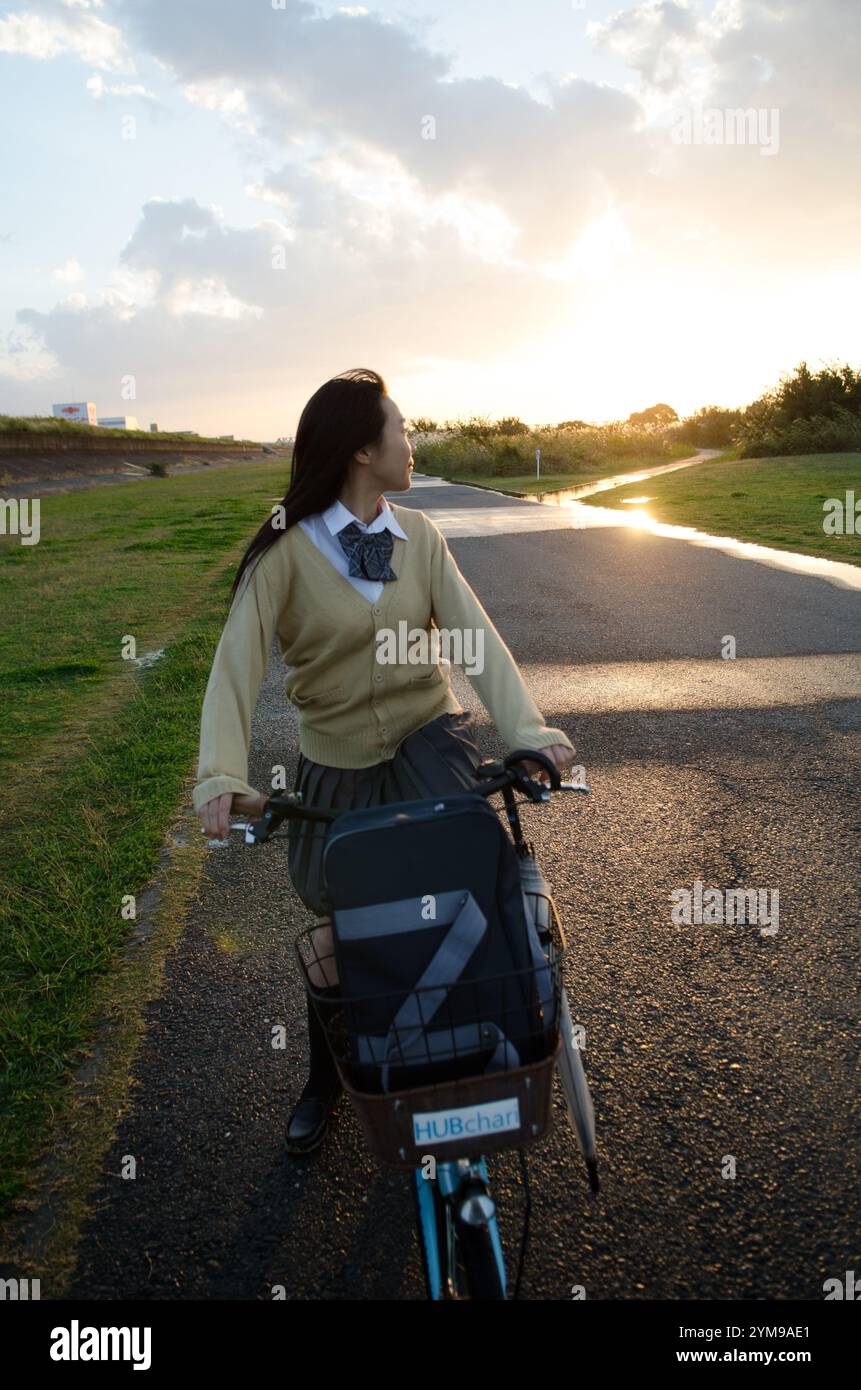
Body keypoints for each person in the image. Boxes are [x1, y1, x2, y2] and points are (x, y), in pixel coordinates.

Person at [193, 367, 576, 1153]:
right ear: (364, 449)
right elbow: (233, 666)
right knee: (351, 918)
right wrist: (221, 776)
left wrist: (528, 732)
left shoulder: (420, 537)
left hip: (427, 737)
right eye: (402, 430)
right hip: (336, 762)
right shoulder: (283, 554)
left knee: (469, 875)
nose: (413, 441)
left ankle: (484, 1044)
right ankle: (324, 1081)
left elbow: (474, 639)